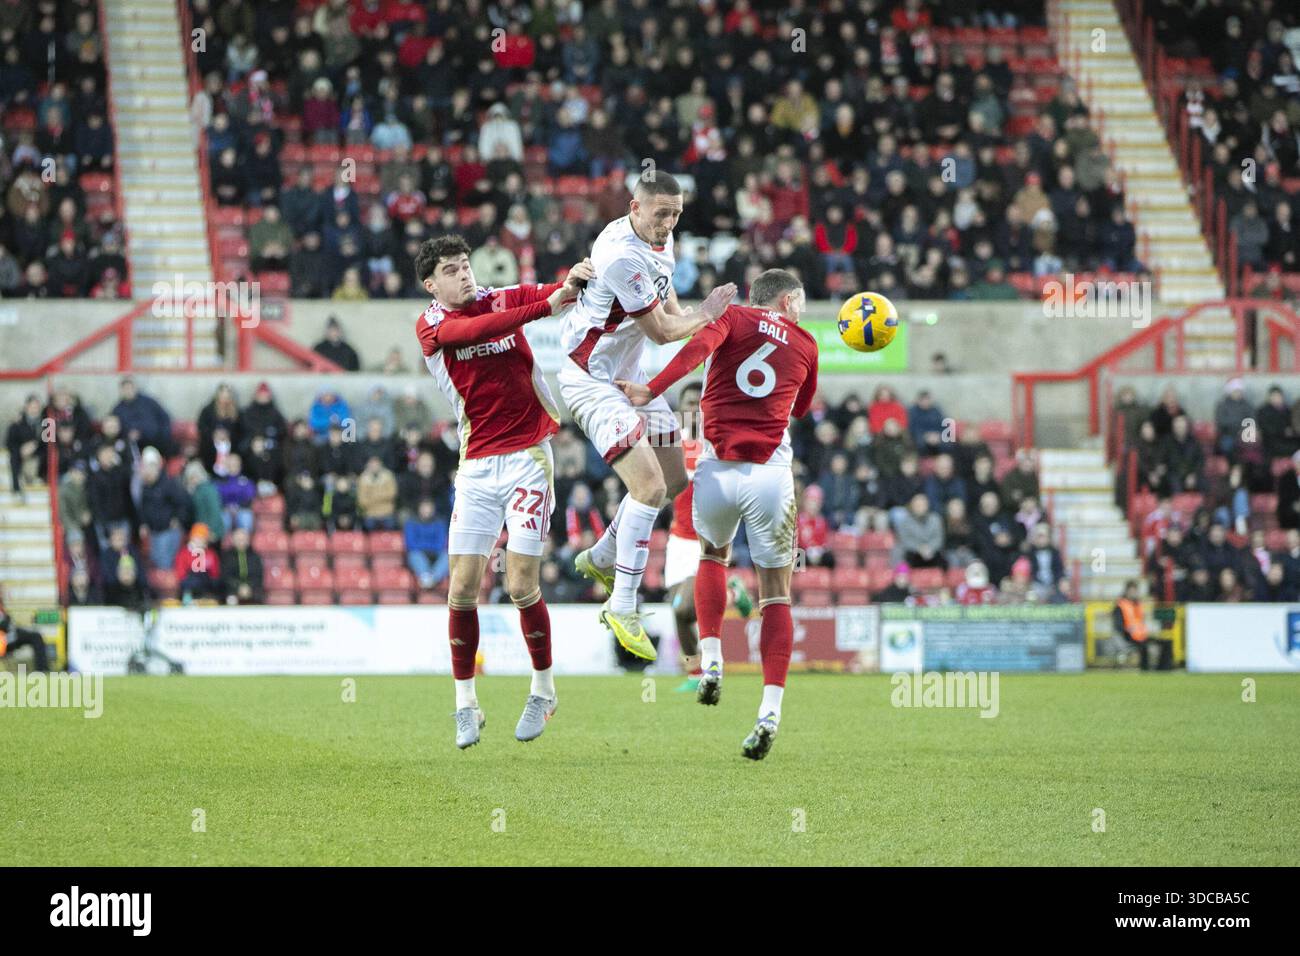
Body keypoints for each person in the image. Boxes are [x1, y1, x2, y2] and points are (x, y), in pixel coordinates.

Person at [618, 268, 817, 760]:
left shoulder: (730, 316)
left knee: (713, 557)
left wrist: (652, 389)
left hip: (717, 470)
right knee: (776, 595)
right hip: (770, 475)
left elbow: (694, 353)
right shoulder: (808, 344)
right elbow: (804, 410)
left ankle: (710, 662)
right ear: (790, 301)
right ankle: (769, 711)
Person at [414, 233, 592, 748]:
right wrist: (544, 306)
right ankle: (465, 703)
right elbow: (481, 329)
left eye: (466, 265)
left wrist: (575, 279)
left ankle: (543, 688)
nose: (464, 274)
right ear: (432, 284)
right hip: (476, 466)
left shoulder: (502, 296)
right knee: (461, 588)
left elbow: (551, 291)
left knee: (519, 584)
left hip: (529, 458)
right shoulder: (432, 325)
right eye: (451, 269)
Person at [559, 172, 736, 660]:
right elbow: (661, 330)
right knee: (649, 489)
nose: (670, 222)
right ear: (634, 209)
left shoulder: (663, 237)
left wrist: (691, 312)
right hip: (591, 380)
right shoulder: (621, 257)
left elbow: (668, 301)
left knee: (675, 481)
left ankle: (601, 554)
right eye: (661, 213)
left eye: (676, 213)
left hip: (627, 374)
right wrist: (708, 313)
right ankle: (622, 605)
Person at [220, 526, 264, 605]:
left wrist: (249, 587)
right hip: (232, 591)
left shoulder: (255, 556)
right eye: (238, 539)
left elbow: (258, 576)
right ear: (233, 541)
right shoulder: (227, 556)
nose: (241, 542)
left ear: (248, 540)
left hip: (252, 590)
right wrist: (238, 588)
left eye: (243, 539)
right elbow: (225, 577)